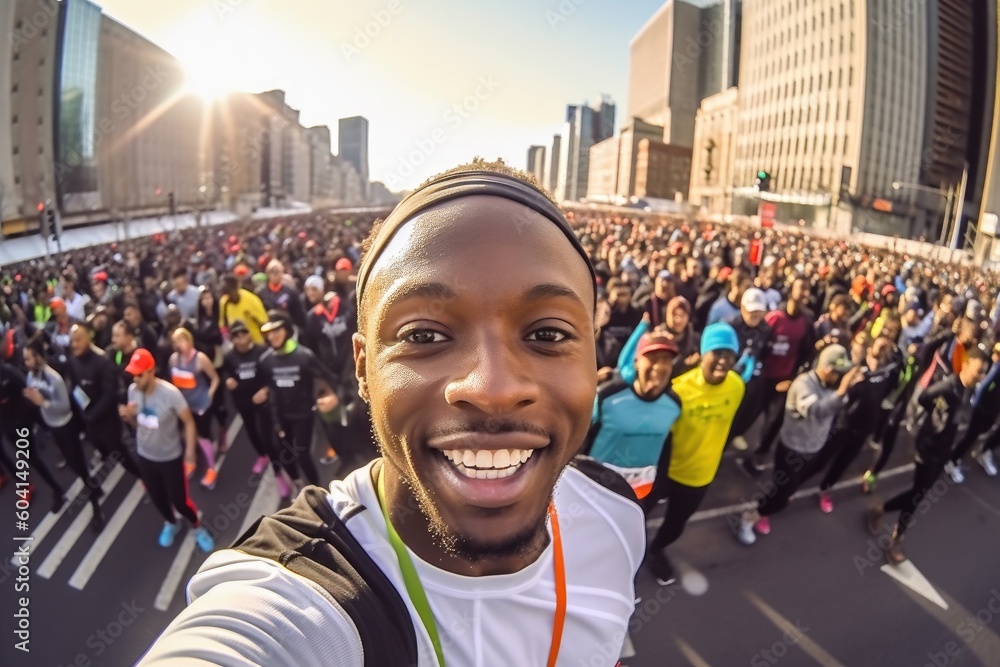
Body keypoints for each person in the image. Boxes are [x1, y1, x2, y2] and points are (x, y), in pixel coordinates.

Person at [138, 161, 644, 666]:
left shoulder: (616, 513)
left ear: (594, 356)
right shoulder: (302, 602)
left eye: (548, 334)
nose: (492, 389)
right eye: (423, 336)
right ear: (363, 368)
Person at [867, 344, 990, 563]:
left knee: (919, 493)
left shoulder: (965, 389)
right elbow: (924, 398)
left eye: (984, 372)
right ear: (966, 364)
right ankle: (894, 532)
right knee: (917, 495)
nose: (981, 376)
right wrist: (936, 419)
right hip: (929, 448)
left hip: (944, 450)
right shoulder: (947, 387)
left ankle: (883, 513)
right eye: (979, 371)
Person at [644, 322, 744, 585]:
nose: (723, 361)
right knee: (635, 517)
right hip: (663, 473)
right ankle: (623, 557)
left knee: (675, 526)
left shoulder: (737, 386)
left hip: (700, 475)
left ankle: (655, 552)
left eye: (729, 355)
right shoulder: (679, 389)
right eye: (717, 352)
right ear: (702, 353)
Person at [736, 344, 864, 545]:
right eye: (840, 373)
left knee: (789, 486)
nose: (841, 378)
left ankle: (772, 502)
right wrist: (841, 392)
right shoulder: (804, 384)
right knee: (781, 497)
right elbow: (816, 411)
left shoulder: (829, 386)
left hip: (814, 447)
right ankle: (750, 516)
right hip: (792, 452)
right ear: (829, 371)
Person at [118, 348, 215, 552]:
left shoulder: (170, 394)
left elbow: (188, 422)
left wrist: (190, 451)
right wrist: (128, 417)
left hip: (170, 458)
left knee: (180, 502)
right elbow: (140, 425)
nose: (135, 379)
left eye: (140, 374)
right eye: (133, 374)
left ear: (151, 371)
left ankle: (197, 527)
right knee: (158, 499)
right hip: (145, 456)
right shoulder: (132, 391)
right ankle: (172, 523)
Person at [582, 329, 682, 498]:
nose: (659, 366)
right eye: (652, 358)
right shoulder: (607, 396)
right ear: (636, 361)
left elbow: (664, 447)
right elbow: (581, 438)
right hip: (595, 485)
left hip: (640, 490)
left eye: (666, 360)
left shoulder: (674, 405)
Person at [23, 336, 106, 531]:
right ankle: (96, 489)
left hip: (66, 425)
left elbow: (64, 406)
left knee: (79, 466)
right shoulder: (31, 377)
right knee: (73, 465)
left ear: (38, 357)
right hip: (53, 426)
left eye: (28, 358)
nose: (26, 363)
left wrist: (42, 403)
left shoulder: (54, 378)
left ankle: (95, 506)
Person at [735, 277, 816, 474]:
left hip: (783, 379)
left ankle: (758, 457)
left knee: (774, 421)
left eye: (807, 290)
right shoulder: (774, 317)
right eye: (800, 288)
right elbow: (758, 345)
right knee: (747, 413)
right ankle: (728, 440)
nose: (803, 294)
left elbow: (807, 353)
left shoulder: (807, 322)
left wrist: (793, 378)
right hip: (762, 376)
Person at [815, 336, 898, 511]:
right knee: (822, 458)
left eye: (887, 347)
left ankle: (825, 488)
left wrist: (877, 429)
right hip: (843, 423)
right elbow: (841, 394)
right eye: (880, 345)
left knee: (844, 461)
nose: (884, 350)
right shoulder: (857, 368)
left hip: (864, 428)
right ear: (870, 348)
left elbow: (888, 395)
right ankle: (796, 483)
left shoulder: (888, 372)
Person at [221, 319, 294, 498]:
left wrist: (266, 390)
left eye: (243, 334)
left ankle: (279, 473)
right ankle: (262, 456)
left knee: (270, 439)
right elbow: (228, 373)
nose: (241, 339)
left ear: (249, 334)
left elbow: (272, 375)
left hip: (263, 402)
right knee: (252, 432)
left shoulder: (262, 352)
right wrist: (229, 381)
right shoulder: (229, 357)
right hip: (243, 401)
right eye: (236, 336)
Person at [67, 323, 142, 479]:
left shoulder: (102, 361)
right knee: (104, 450)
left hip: (108, 420)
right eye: (72, 340)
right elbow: (74, 386)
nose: (75, 344)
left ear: (88, 337)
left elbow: (110, 394)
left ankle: (144, 477)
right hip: (90, 420)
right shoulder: (73, 361)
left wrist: (92, 414)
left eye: (79, 339)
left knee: (122, 454)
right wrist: (84, 411)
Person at [168, 328, 221, 489]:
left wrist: (209, 395)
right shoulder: (173, 360)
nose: (179, 345)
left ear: (189, 341)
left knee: (203, 437)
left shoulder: (200, 359)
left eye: (182, 340)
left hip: (201, 406)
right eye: (175, 342)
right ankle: (192, 460)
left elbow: (215, 379)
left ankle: (212, 468)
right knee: (188, 434)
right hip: (184, 407)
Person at [219, 274, 269, 345]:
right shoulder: (224, 302)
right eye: (227, 293)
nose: (230, 296)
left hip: (257, 344)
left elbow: (264, 323)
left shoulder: (251, 300)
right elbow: (223, 325)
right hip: (238, 346)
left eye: (231, 292)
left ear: (237, 287)